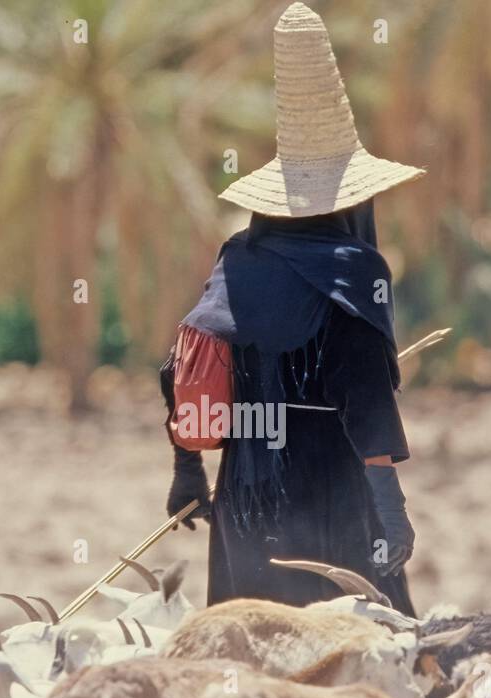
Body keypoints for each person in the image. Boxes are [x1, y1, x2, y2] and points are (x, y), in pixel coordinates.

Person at [159, 2, 424, 616]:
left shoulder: (237, 263)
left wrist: (187, 471)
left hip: (245, 496)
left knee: (250, 648)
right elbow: (364, 394)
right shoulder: (353, 274)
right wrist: (390, 506)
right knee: (355, 651)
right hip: (329, 493)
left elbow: (181, 369)